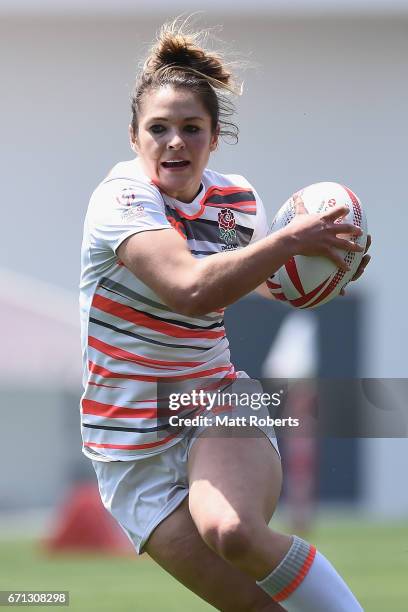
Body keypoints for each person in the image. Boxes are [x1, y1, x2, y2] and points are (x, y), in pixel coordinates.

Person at [79, 18, 370, 611]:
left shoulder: (237, 200)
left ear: (214, 138)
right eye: (158, 129)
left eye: (192, 129)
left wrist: (321, 275)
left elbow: (260, 279)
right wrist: (288, 243)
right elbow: (190, 288)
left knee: (233, 531)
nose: (175, 142)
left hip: (212, 399)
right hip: (126, 448)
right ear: (134, 138)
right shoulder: (120, 199)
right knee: (255, 606)